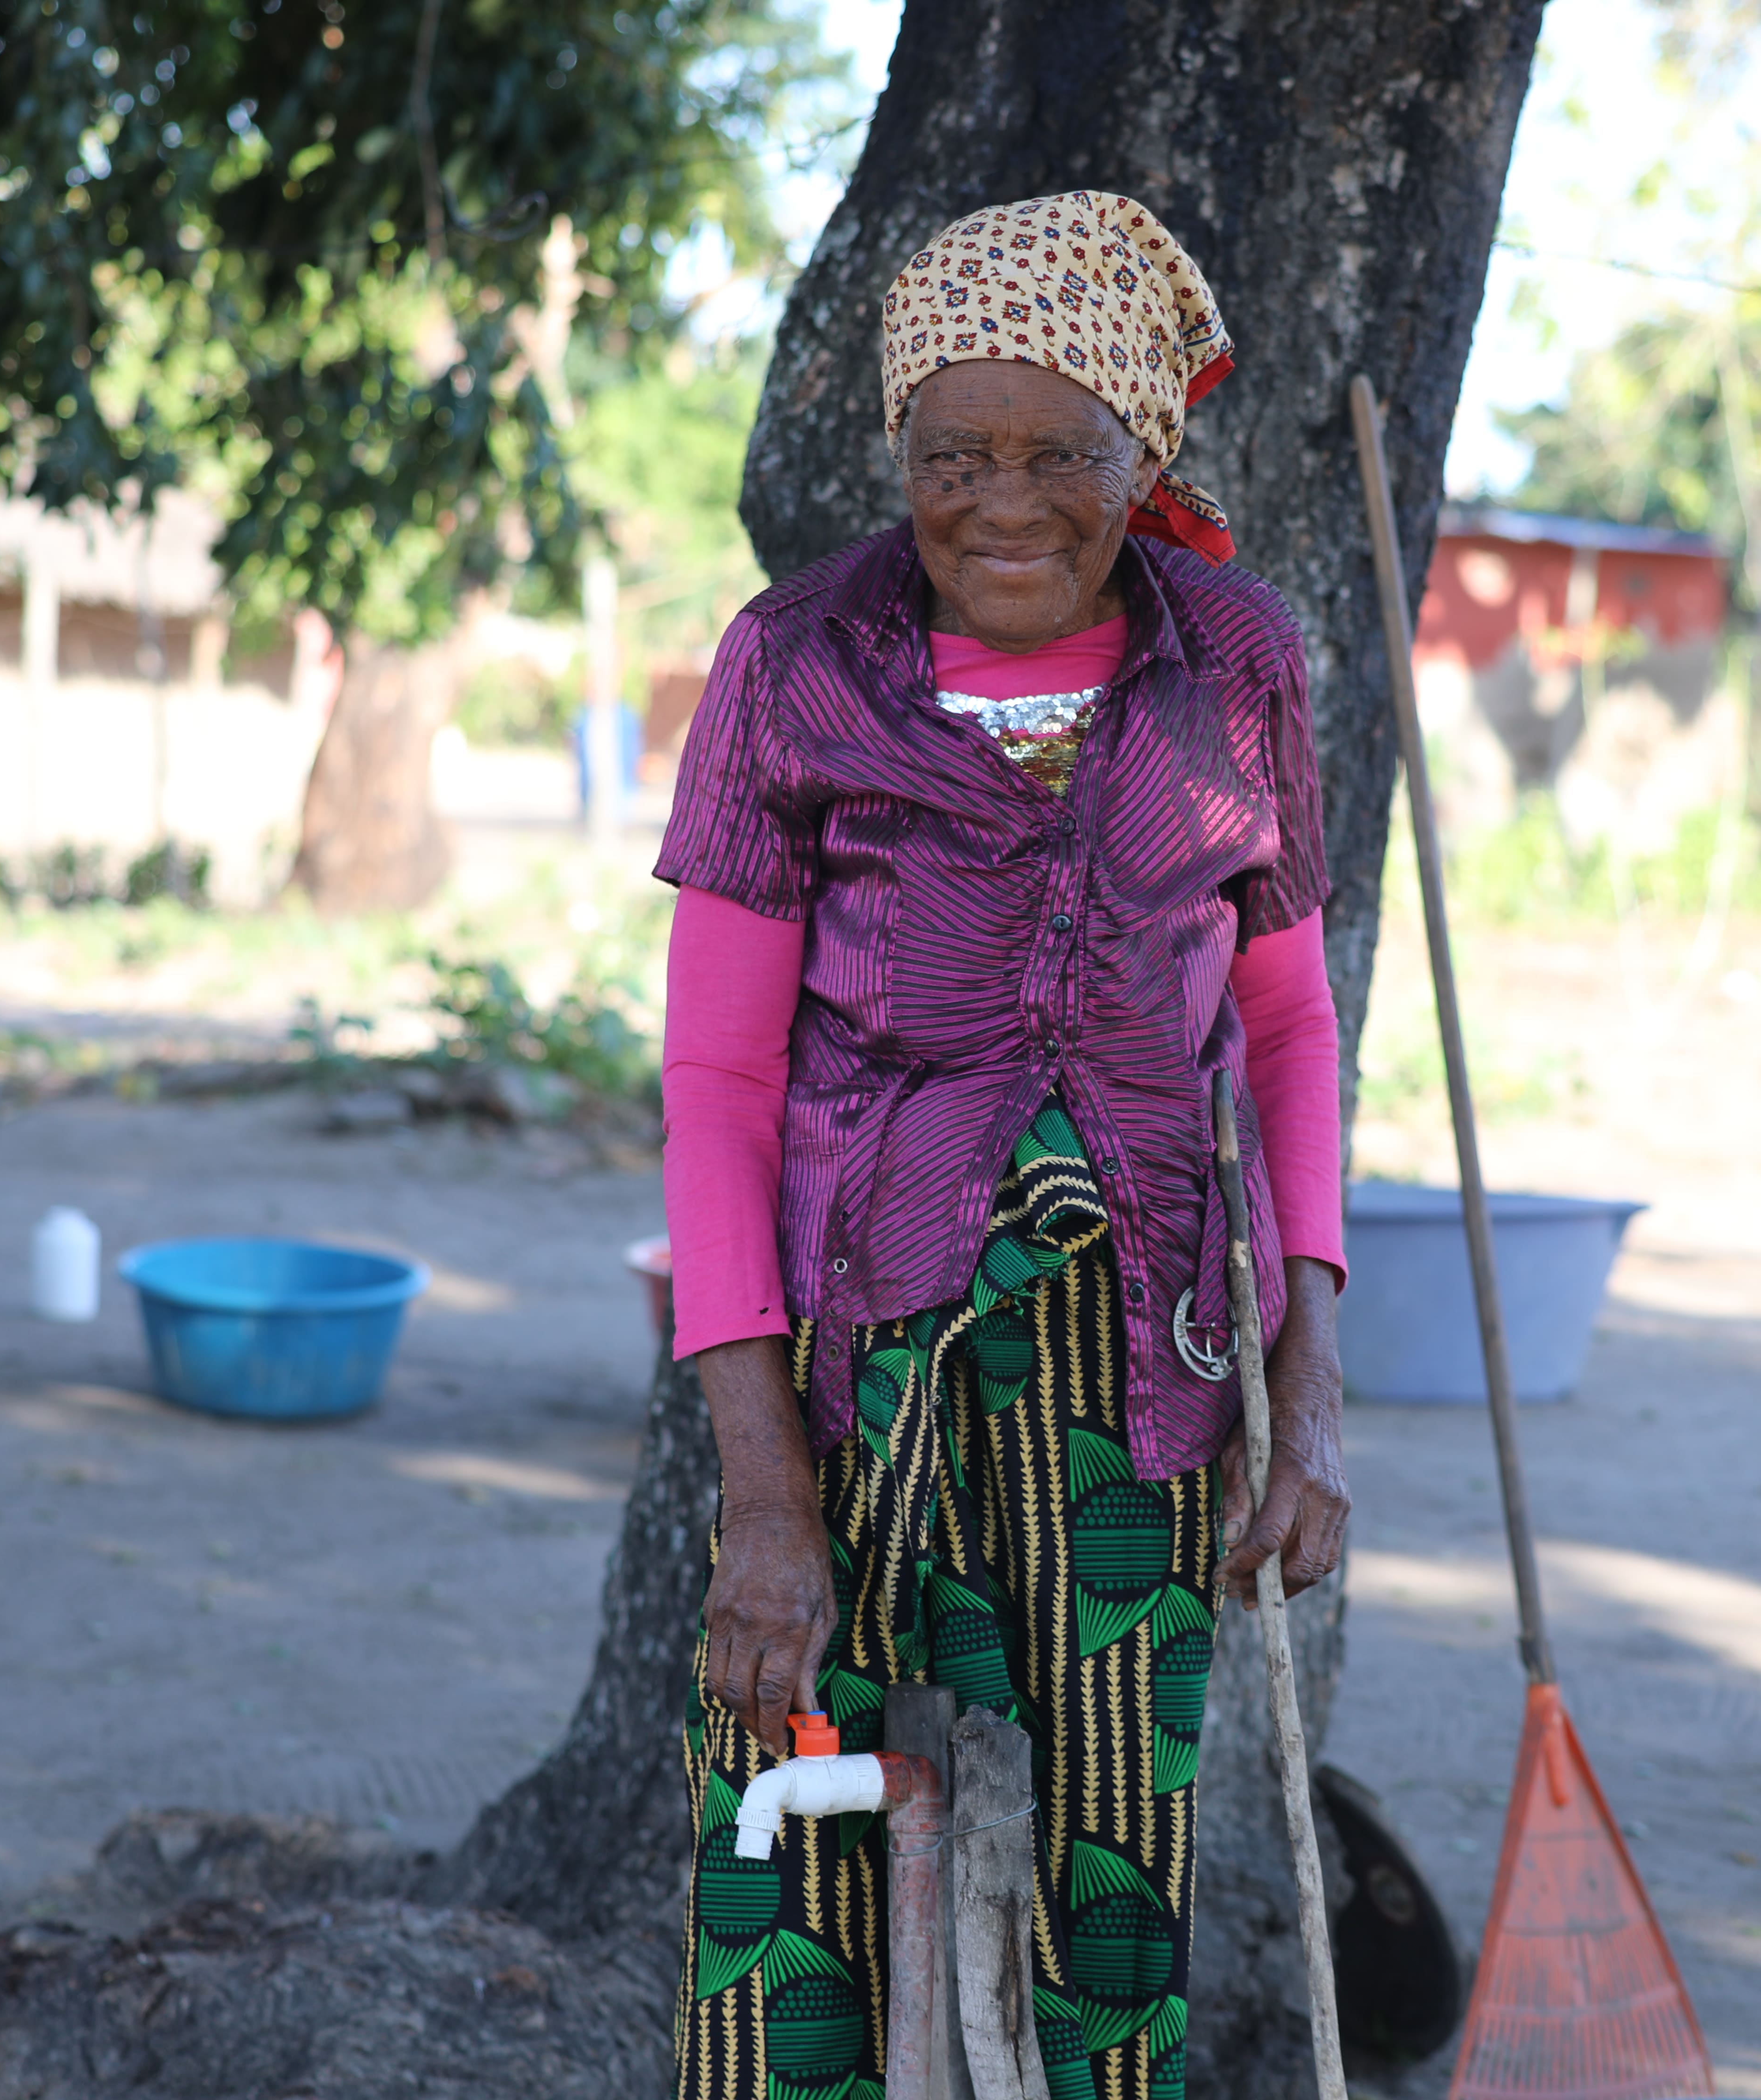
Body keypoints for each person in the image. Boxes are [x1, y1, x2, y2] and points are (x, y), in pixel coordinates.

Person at [654, 190, 1349, 2100]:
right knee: (783, 1853)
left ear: (1148, 450)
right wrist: (764, 1492)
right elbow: (714, 1085)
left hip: (1146, 1390)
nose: (1004, 502)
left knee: (1116, 1893)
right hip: (845, 1386)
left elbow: (1285, 1026)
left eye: (1061, 453)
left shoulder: (1240, 664)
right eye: (954, 455)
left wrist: (1314, 1366)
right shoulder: (796, 663)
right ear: (900, 454)